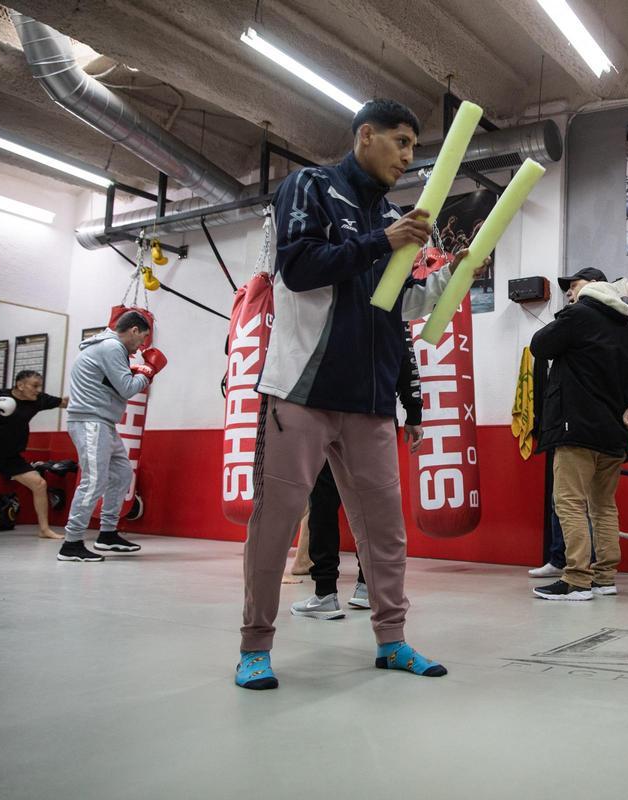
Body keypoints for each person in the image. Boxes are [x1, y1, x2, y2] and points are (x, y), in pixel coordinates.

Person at [237, 98, 466, 690]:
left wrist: (446, 277)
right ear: (365, 136)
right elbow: (297, 268)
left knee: (385, 532)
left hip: (368, 402)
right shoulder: (308, 186)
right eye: (401, 141)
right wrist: (382, 242)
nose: (409, 156)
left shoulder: (387, 213)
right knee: (276, 522)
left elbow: (395, 303)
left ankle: (392, 641)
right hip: (302, 392)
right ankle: (255, 646)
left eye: (415, 147)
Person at [529, 270, 628, 601]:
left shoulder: (579, 315)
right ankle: (605, 577)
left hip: (577, 429)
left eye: (573, 289)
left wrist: (566, 315)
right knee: (603, 506)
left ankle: (576, 579)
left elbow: (539, 346)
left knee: (569, 503)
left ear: (590, 292)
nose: (569, 294)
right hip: (616, 435)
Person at [291, 323, 424, 620]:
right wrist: (413, 411)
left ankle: (327, 593)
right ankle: (365, 588)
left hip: (332, 411)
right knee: (369, 506)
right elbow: (405, 355)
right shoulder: (386, 295)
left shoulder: (328, 294)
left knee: (326, 503)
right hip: (371, 412)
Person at [62, 312, 166, 561]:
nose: (141, 345)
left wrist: (137, 370)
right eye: (142, 338)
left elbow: (113, 383)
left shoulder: (105, 346)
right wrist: (148, 371)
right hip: (91, 421)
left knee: (121, 474)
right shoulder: (111, 347)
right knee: (94, 480)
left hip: (103, 422)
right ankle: (71, 543)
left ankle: (107, 534)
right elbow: (128, 388)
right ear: (133, 330)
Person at [527, 268, 607, 580]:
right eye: (569, 287)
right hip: (563, 422)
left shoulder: (593, 323)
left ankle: (582, 572)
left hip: (586, 424)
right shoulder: (570, 325)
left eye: (576, 285)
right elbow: (541, 351)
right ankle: (566, 560)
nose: (570, 291)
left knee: (582, 503)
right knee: (563, 498)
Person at [0, 370, 68, 540]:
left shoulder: (38, 400)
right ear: (20, 385)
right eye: (34, 386)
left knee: (39, 484)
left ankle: (44, 530)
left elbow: (63, 403)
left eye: (40, 386)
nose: (38, 390)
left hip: (10, 456)